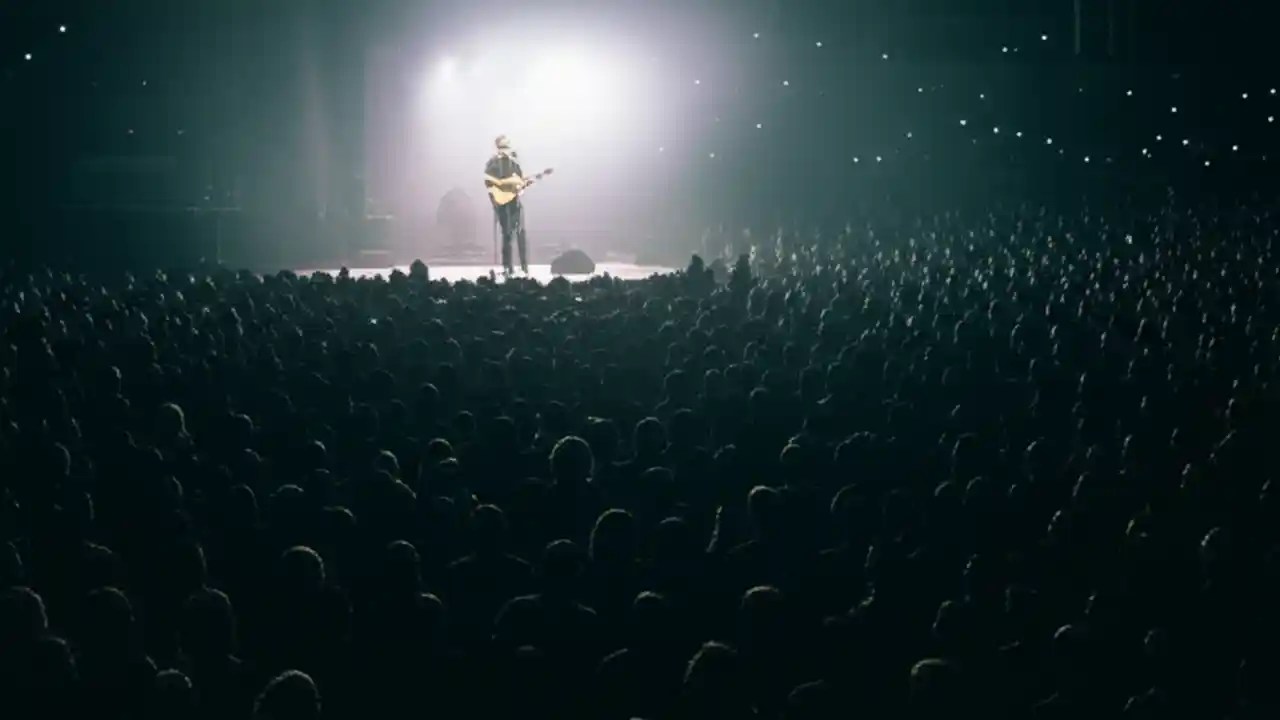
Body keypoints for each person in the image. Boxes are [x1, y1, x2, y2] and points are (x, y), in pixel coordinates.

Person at [483, 135, 529, 276]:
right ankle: (508, 266)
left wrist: (520, 188)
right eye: (502, 147)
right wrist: (496, 200)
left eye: (506, 147)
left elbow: (520, 183)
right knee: (507, 234)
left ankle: (524, 266)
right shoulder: (492, 164)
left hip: (514, 201)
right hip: (502, 204)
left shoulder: (514, 164)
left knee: (520, 232)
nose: (504, 150)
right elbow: (489, 184)